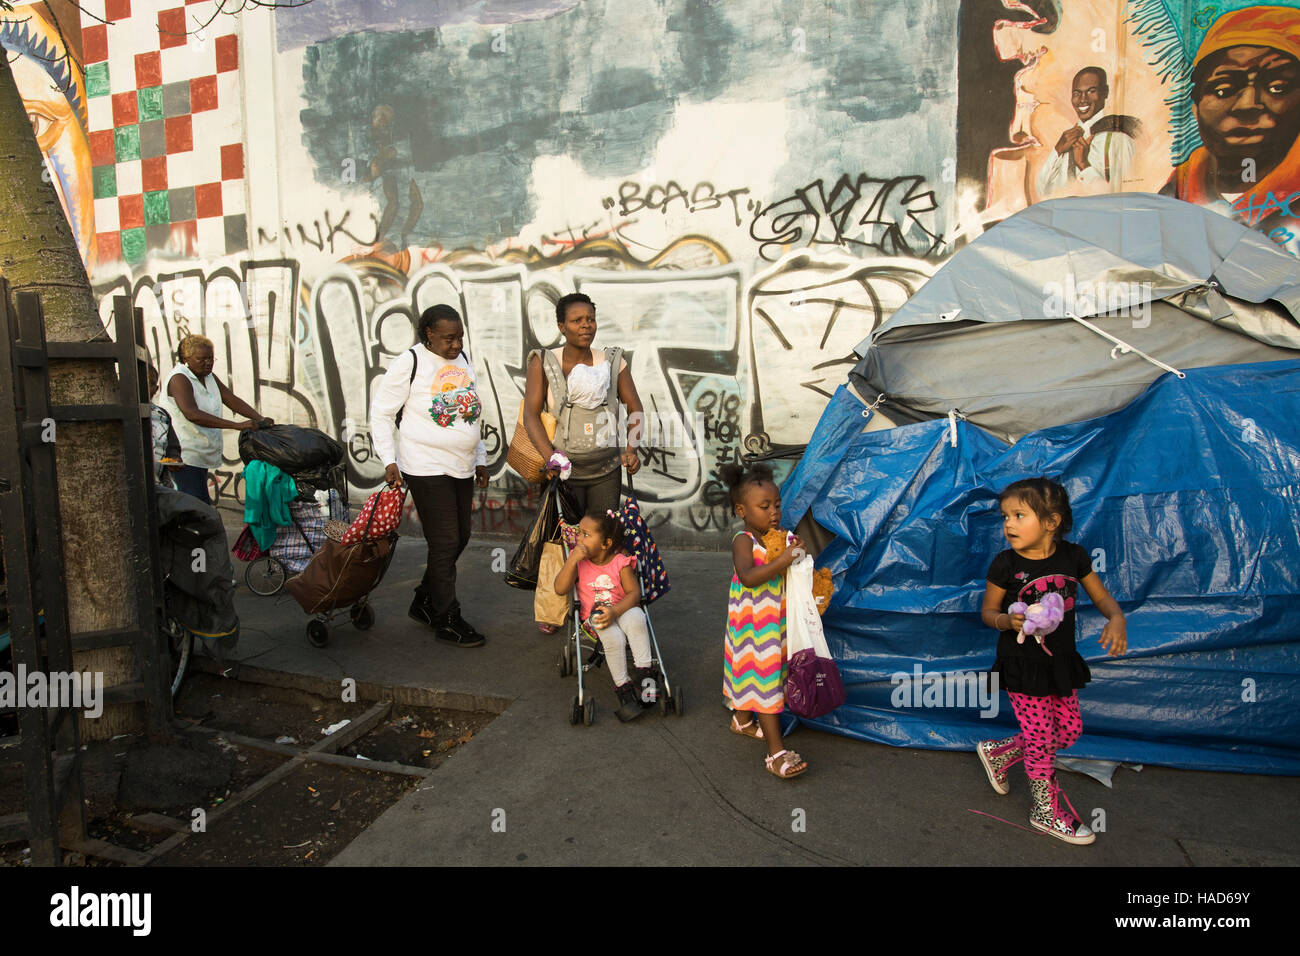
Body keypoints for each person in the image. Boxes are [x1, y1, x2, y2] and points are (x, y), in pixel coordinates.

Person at [977, 477, 1127, 845]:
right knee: (1042, 737)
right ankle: (1044, 810)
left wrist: (1117, 618)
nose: (1008, 524)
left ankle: (1001, 752)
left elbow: (1101, 596)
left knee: (1069, 731)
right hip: (1021, 663)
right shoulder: (1006, 564)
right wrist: (1005, 621)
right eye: (1005, 516)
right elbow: (987, 612)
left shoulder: (1074, 557)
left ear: (1051, 522)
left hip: (1060, 662)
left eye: (1018, 515)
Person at [522, 292, 644, 633]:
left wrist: (631, 448)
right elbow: (531, 415)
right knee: (567, 544)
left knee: (602, 543)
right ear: (561, 326)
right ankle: (559, 607)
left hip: (606, 470)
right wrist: (551, 457)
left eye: (590, 318)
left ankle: (602, 607)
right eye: (576, 320)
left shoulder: (612, 360)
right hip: (564, 473)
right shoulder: (543, 362)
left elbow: (635, 409)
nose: (585, 325)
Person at [370, 305, 489, 648]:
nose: (456, 344)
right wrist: (388, 458)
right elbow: (381, 413)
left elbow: (471, 413)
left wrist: (479, 457)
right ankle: (447, 619)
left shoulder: (463, 359)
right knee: (445, 541)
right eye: (449, 338)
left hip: (461, 464)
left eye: (459, 336)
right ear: (428, 335)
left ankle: (424, 600)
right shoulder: (410, 362)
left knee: (461, 536)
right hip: (424, 465)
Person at [1159, 6, 1300, 248]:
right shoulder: (1176, 192)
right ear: (1195, 108)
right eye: (1223, 89)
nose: (1248, 105)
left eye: (1277, 87)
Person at [720, 462, 808, 779]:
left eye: (777, 504)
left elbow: (791, 571)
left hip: (775, 626)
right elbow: (748, 577)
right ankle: (776, 753)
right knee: (767, 684)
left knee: (756, 677)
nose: (774, 512)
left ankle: (741, 720)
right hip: (753, 630)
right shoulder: (744, 541)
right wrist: (784, 560)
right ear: (742, 510)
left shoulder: (781, 537)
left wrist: (798, 556)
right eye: (764, 506)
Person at [554, 510, 655, 722]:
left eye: (586, 534)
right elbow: (560, 588)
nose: (579, 539)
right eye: (579, 533)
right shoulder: (579, 564)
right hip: (596, 618)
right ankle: (624, 688)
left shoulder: (620, 562)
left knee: (637, 615)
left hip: (621, 611)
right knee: (613, 636)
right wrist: (572, 560)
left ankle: (646, 674)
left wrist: (615, 611)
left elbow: (634, 594)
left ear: (606, 543)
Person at [159, 334, 271, 504]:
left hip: (200, 454)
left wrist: (259, 418)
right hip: (184, 455)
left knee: (198, 504)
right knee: (196, 506)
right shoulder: (179, 378)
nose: (208, 363)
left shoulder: (208, 376)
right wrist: (235, 425)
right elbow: (192, 413)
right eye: (201, 359)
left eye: (211, 358)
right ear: (186, 358)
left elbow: (231, 400)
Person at [1037, 67, 1140, 197]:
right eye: (1076, 93)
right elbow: (1043, 192)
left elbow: (1123, 197)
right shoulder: (1067, 141)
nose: (1083, 99)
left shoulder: (1119, 140)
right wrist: (1057, 151)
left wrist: (1084, 165)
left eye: (1091, 91)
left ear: (1105, 92)